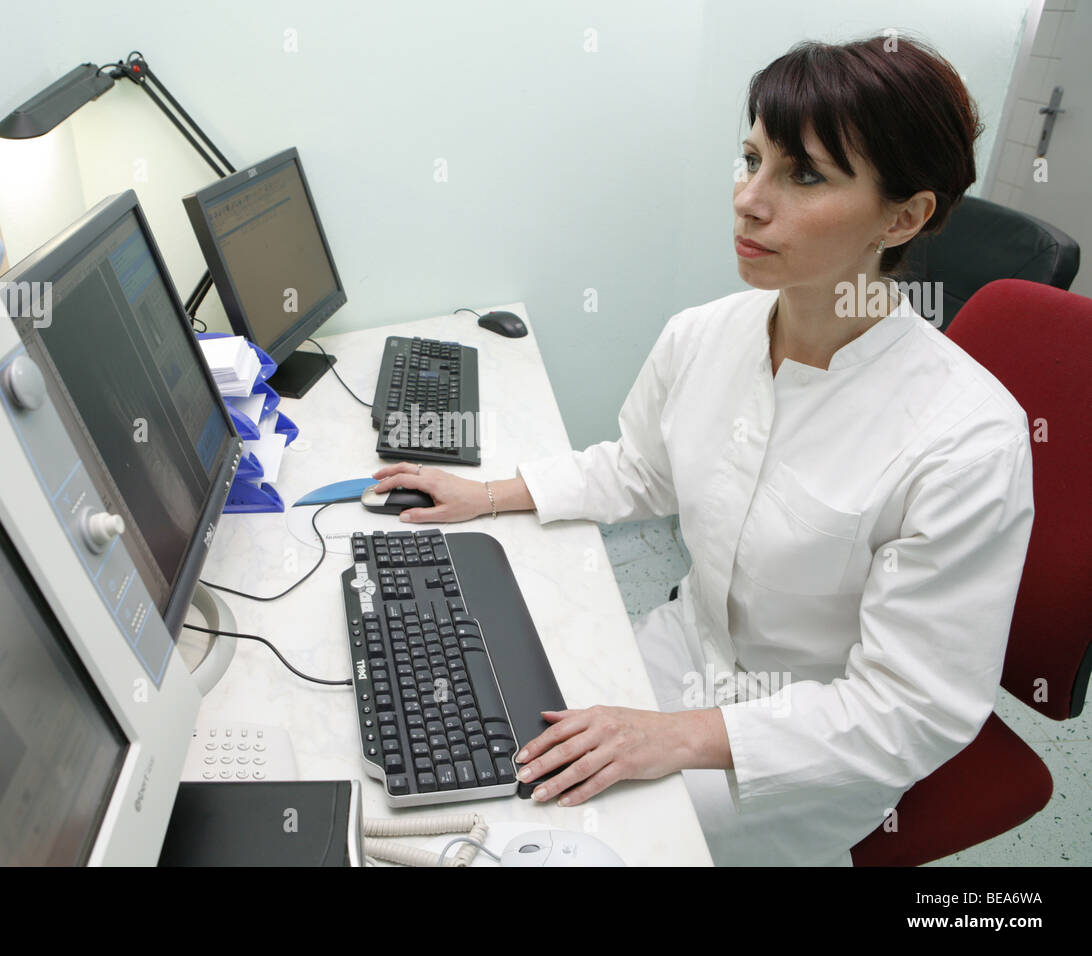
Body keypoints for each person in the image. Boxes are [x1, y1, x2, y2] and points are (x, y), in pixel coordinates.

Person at [370, 35, 1035, 865]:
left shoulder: (966, 440)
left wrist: (679, 738)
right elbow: (642, 467)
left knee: (577, 839)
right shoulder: (706, 335)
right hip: (684, 647)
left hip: (808, 743)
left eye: (803, 175)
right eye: (750, 158)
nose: (749, 200)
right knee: (493, 758)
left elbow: (910, 710)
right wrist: (494, 494)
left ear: (904, 217)